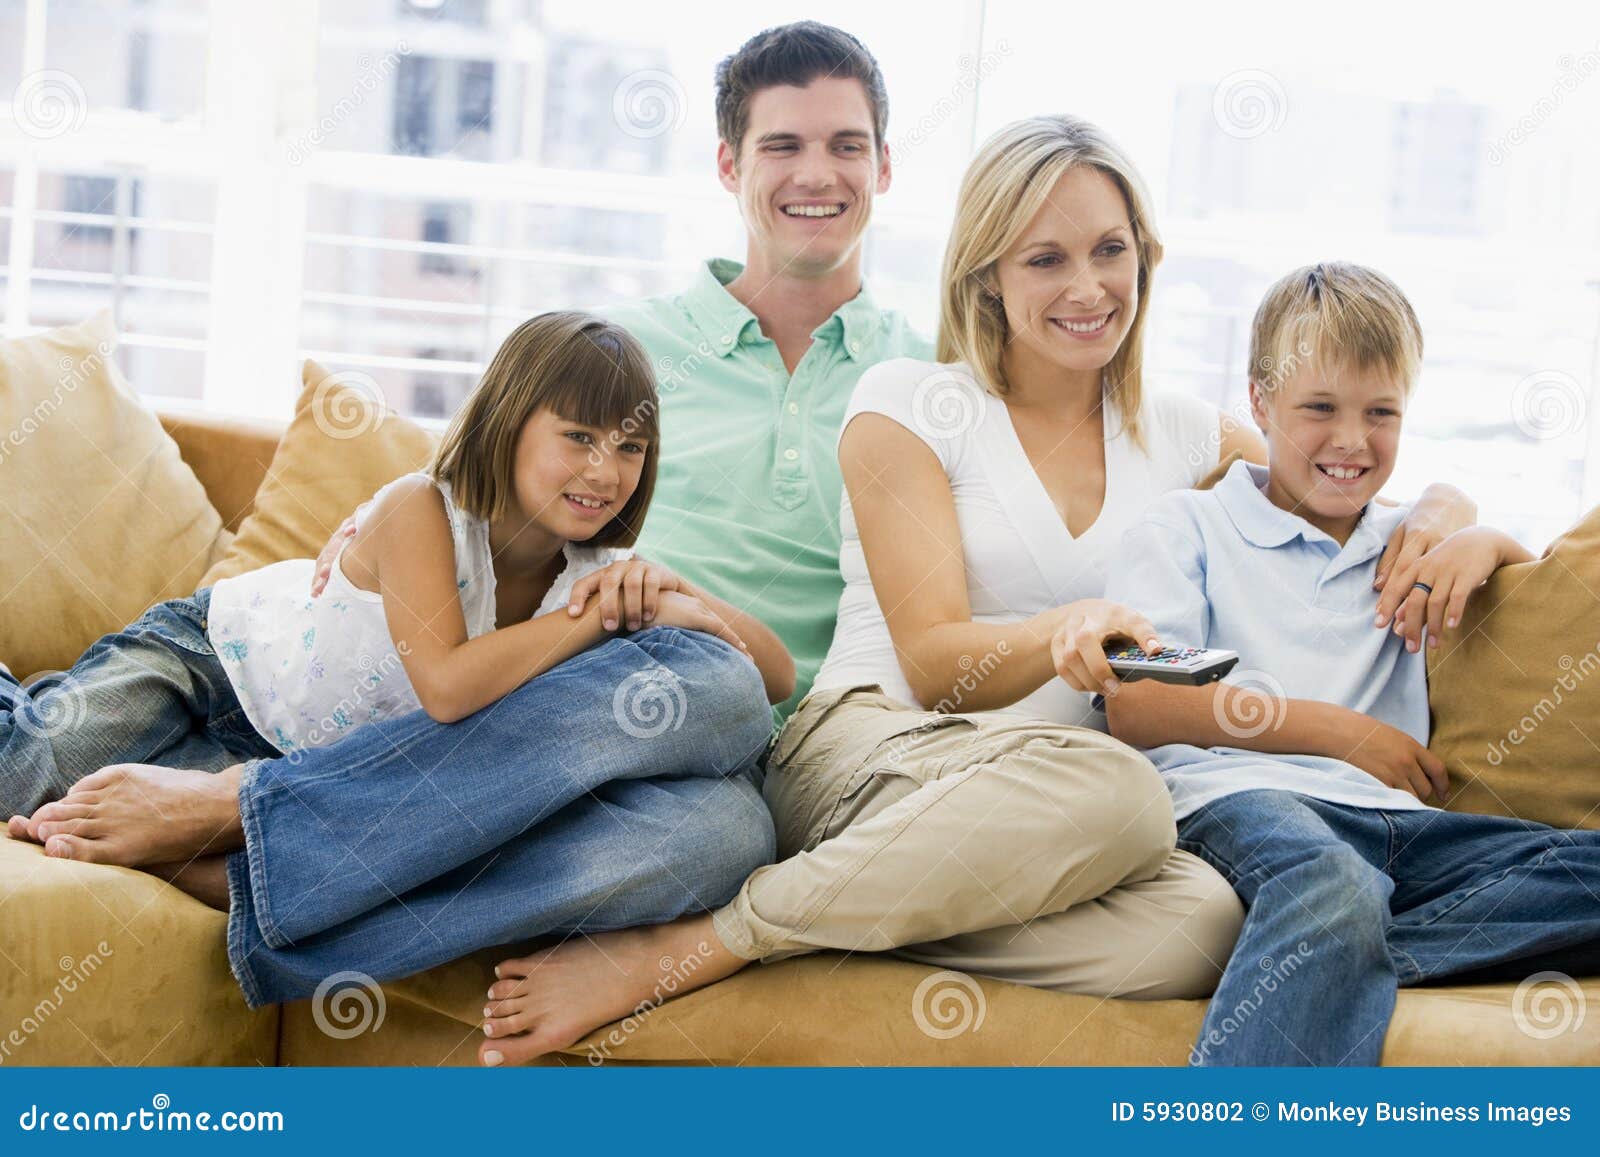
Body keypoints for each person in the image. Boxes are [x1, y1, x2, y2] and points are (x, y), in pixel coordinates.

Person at [458, 116, 1479, 1064]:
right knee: (1122, 790)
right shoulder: (911, 403)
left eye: (1109, 250)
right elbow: (935, 664)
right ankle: (707, 942)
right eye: (1045, 257)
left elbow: (1320, 486)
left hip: (1043, 814)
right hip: (877, 748)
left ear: (1145, 256)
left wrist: (1447, 513)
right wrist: (1060, 633)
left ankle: (872, 909)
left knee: (1206, 921)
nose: (1086, 286)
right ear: (987, 274)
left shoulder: (1186, 433)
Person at [7, 312, 792, 1018]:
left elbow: (775, 678)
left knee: (727, 809)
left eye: (629, 447)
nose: (604, 469)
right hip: (214, 670)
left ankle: (232, 859)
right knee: (30, 771)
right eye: (579, 437)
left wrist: (676, 595)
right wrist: (590, 620)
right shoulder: (422, 509)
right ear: (510, 421)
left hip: (312, 764)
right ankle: (225, 821)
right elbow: (449, 687)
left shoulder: (597, 571)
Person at [1100, 261, 1600, 1066]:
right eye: (1319, 409)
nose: (1351, 441)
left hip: (1407, 834)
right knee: (1331, 885)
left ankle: (1313, 954)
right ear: (1259, 400)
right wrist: (1346, 734)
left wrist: (1481, 537)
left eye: (1381, 413)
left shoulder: (1408, 545)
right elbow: (1139, 705)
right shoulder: (1184, 528)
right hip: (1240, 799)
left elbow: (1527, 584)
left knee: (1372, 897)